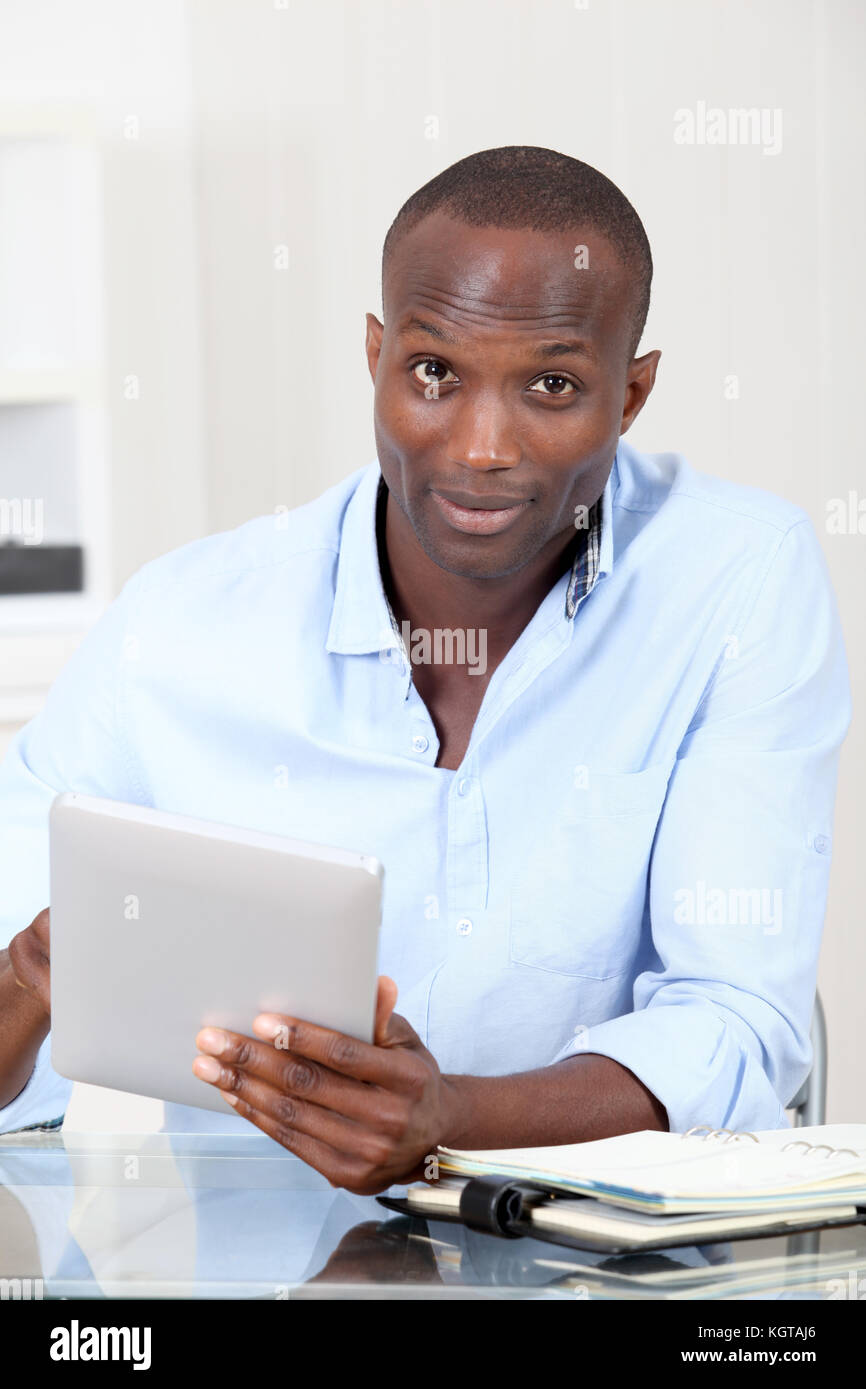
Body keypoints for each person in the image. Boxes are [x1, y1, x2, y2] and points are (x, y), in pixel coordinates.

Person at [0, 146, 850, 1196]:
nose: (481, 445)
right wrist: (33, 986)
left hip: (601, 1267)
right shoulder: (176, 626)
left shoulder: (736, 582)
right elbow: (10, 1068)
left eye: (551, 383)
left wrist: (450, 1120)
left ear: (629, 395)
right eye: (434, 373)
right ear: (376, 356)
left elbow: (740, 1023)